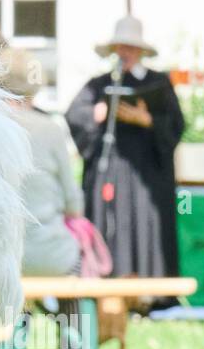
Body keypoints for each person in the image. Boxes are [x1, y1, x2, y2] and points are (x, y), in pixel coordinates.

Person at [66, 16, 184, 280]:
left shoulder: (159, 83)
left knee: (145, 222)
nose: (125, 53)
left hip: (146, 173)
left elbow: (176, 124)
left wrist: (147, 120)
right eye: (121, 47)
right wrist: (99, 112)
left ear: (140, 51)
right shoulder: (99, 84)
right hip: (112, 168)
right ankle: (107, 276)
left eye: (131, 48)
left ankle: (146, 289)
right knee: (111, 221)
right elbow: (74, 114)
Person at [1, 48, 87, 349]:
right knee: (73, 288)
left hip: (3, 258)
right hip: (50, 253)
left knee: (0, 296)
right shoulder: (52, 131)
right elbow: (74, 204)